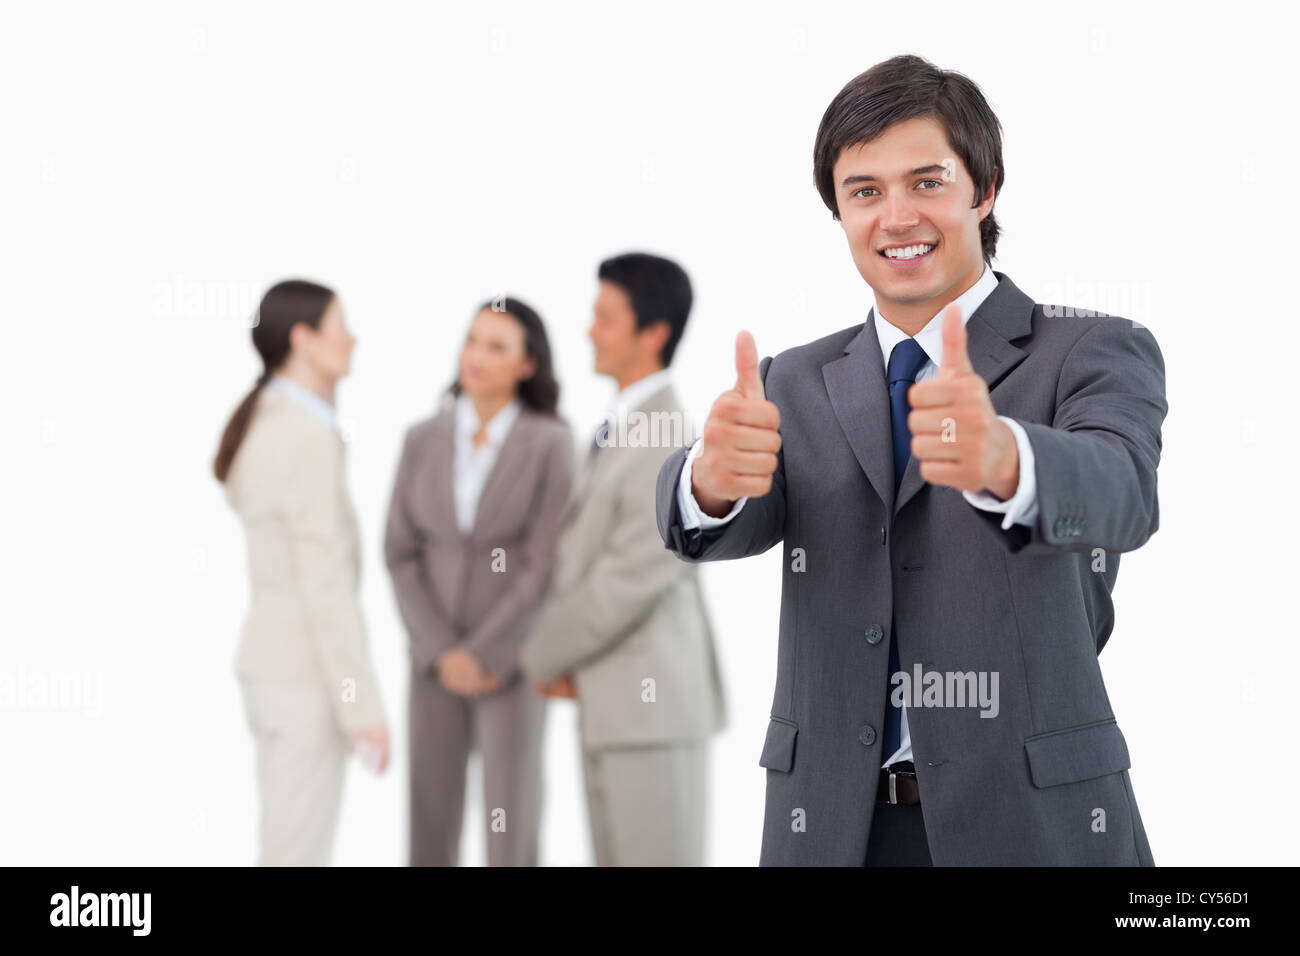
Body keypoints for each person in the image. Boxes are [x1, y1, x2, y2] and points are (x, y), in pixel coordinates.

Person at [655, 55, 1167, 866]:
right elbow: (722, 519)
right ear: (840, 211)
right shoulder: (793, 378)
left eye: (927, 182)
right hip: (830, 827)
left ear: (985, 188)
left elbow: (1123, 494)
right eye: (865, 192)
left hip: (1030, 825)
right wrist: (708, 482)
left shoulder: (1090, 347)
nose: (896, 216)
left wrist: (1006, 457)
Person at [521, 253, 726, 866]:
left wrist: (537, 656)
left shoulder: (664, 434)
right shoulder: (625, 423)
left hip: (652, 714)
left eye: (605, 318)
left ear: (653, 333)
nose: (589, 331)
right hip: (614, 709)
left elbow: (626, 581)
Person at [385, 296, 572, 867]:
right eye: (473, 340)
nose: (477, 356)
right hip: (432, 659)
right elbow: (399, 551)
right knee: (429, 813)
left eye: (497, 346)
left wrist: (487, 651)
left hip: (509, 663)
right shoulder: (422, 438)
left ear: (527, 365)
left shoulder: (550, 443)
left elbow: (548, 562)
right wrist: (442, 648)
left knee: (509, 818)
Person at [214, 278, 390, 866]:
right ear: (304, 340)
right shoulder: (303, 434)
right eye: (341, 326)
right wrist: (362, 708)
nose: (354, 340)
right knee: (296, 854)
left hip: (272, 670)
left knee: (284, 844)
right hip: (304, 677)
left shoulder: (272, 420)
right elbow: (326, 586)